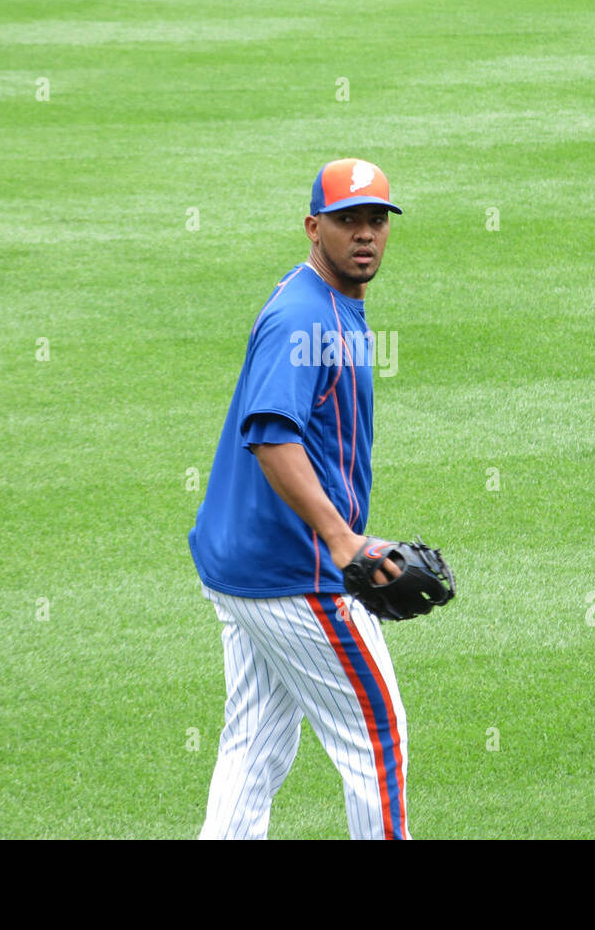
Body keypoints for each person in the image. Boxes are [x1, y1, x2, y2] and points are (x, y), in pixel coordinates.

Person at [189, 158, 411, 840]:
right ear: (314, 226)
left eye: (376, 220)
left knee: (254, 746)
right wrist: (343, 541)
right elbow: (272, 437)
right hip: (297, 574)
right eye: (348, 221)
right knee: (378, 737)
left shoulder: (325, 302)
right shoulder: (301, 317)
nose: (365, 234)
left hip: (242, 568)